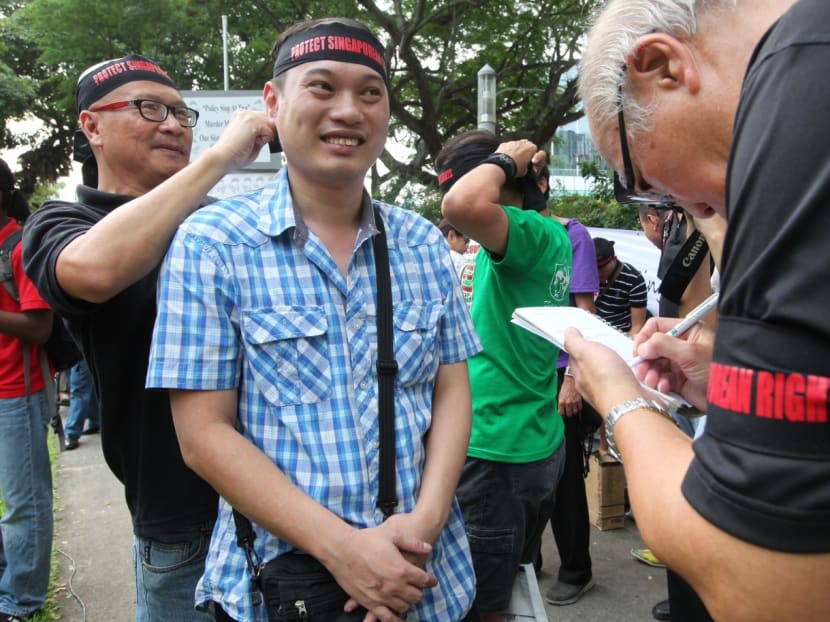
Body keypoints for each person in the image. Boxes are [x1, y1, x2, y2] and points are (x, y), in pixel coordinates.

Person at [146, 18, 480, 622]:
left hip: (426, 576)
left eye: (370, 92)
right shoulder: (212, 243)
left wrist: (423, 524)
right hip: (282, 585)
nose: (348, 110)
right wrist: (347, 551)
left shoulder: (423, 242)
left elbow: (452, 390)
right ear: (273, 103)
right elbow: (204, 436)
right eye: (322, 87)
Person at [568, 1, 830, 620]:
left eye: (645, 183)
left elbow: (756, 581)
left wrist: (619, 398)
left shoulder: (797, 83)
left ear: (660, 65)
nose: (687, 208)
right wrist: (734, 383)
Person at [23, 54, 276, 620]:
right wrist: (219, 156)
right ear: (92, 127)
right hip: (178, 516)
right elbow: (94, 272)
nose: (173, 125)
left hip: (280, 499)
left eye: (182, 114)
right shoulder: (63, 224)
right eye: (149, 108)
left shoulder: (219, 224)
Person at [437, 130, 571, 621]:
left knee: (478, 603)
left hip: (496, 448)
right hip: (530, 438)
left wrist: (504, 159)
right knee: (504, 583)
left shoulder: (527, 233)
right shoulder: (543, 235)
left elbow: (462, 204)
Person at [534, 165, 601, 607]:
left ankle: (577, 569)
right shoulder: (505, 236)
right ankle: (528, 558)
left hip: (561, 372)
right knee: (522, 470)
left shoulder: (573, 235)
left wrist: (575, 377)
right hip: (521, 371)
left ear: (539, 185)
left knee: (563, 478)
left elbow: (585, 316)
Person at [0, 158, 54, 622]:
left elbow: (40, 327)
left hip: (18, 391)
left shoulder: (20, 246)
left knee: (24, 503)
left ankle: (21, 600)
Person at [593, 237, 647, 336]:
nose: (597, 273)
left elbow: (637, 326)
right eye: (593, 268)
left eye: (601, 268)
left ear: (614, 259)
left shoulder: (634, 279)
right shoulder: (584, 272)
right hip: (591, 330)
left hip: (619, 334)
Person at [63, 358, 100, 450]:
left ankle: (72, 432)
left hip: (77, 351)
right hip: (69, 349)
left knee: (79, 389)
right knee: (84, 386)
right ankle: (96, 419)